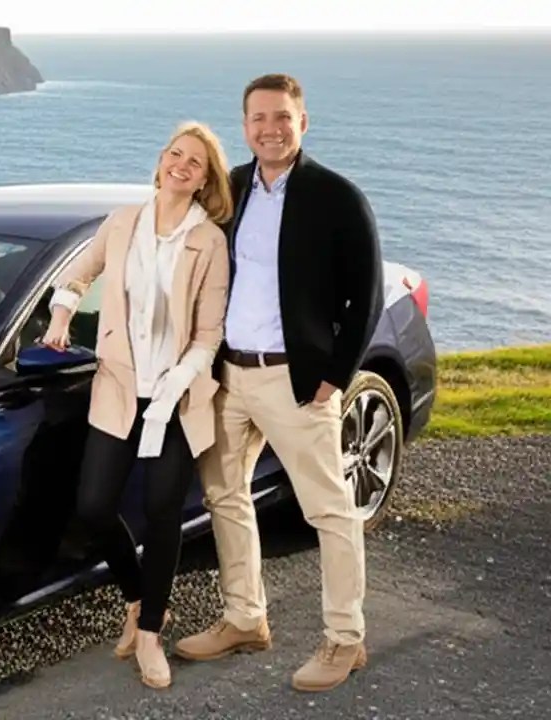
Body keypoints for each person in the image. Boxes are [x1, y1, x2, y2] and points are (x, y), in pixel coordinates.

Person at [172, 73, 384, 693]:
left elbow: (365, 295)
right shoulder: (232, 189)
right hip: (230, 377)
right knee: (225, 496)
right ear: (244, 127)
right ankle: (245, 617)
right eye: (258, 119)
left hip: (297, 382)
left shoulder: (337, 196)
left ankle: (345, 639)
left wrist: (333, 378)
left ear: (303, 122)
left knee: (328, 511)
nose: (270, 129)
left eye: (282, 118)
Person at [40, 121, 232, 689]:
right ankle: (136, 596)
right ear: (160, 161)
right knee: (94, 508)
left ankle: (151, 631)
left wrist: (178, 380)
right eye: (175, 154)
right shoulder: (122, 223)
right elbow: (77, 276)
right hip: (120, 388)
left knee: (164, 512)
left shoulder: (209, 242)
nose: (181, 164)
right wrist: (61, 314)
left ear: (203, 180)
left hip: (176, 397)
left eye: (194, 162)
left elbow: (209, 335)